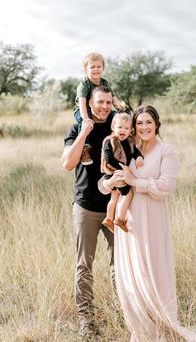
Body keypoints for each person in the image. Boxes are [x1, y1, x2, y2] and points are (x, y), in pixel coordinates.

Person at [98, 105, 196, 342]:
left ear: (157, 123)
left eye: (148, 122)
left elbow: (166, 187)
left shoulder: (167, 151)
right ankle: (140, 334)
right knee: (131, 278)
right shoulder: (127, 146)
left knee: (154, 276)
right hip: (128, 225)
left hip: (153, 222)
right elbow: (104, 180)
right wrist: (110, 183)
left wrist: (135, 182)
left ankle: (164, 332)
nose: (144, 127)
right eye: (139, 123)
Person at [62, 85, 121, 339]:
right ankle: (87, 320)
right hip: (85, 206)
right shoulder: (78, 126)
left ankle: (124, 312)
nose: (105, 107)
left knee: (121, 264)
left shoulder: (117, 127)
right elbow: (67, 164)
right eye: (100, 102)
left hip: (114, 206)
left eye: (109, 102)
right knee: (84, 265)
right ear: (90, 103)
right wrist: (83, 133)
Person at [74, 52, 125, 166]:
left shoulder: (105, 82)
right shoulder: (84, 84)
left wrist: (119, 109)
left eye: (99, 66)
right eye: (92, 67)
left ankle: (118, 143)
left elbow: (113, 98)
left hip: (97, 109)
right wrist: (86, 119)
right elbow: (82, 103)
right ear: (86, 69)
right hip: (83, 109)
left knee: (115, 116)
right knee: (83, 124)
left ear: (103, 68)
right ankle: (85, 149)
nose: (96, 69)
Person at [101, 112, 144, 233]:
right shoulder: (110, 141)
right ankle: (120, 218)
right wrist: (122, 168)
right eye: (120, 127)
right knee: (128, 194)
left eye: (126, 128)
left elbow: (135, 152)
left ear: (131, 130)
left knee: (114, 196)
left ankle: (109, 218)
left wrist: (139, 157)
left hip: (118, 173)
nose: (123, 130)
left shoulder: (129, 141)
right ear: (113, 127)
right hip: (113, 172)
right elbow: (109, 158)